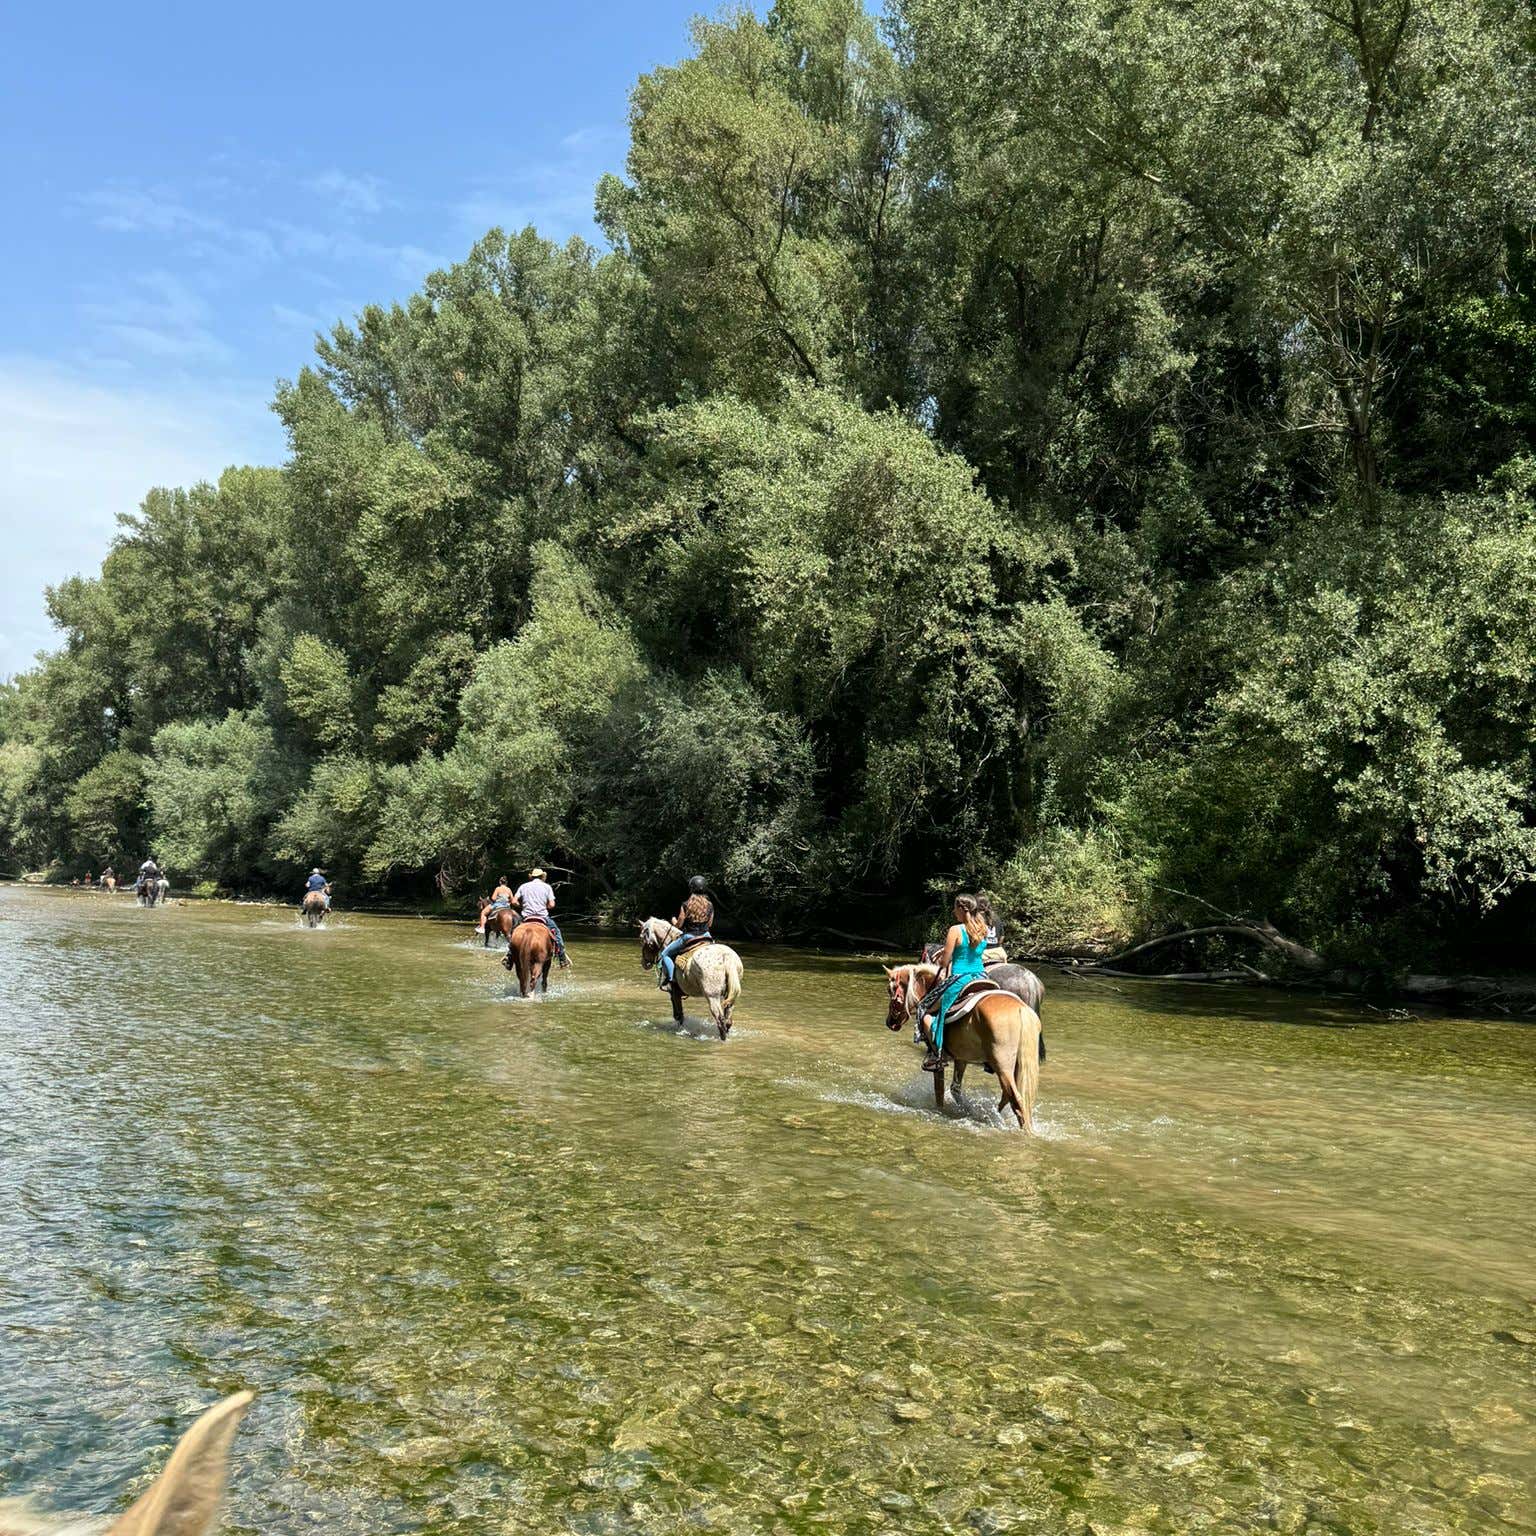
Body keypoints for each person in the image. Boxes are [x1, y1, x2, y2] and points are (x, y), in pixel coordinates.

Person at [917, 893, 990, 1072]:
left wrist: (943, 956)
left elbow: (944, 962)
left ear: (961, 908)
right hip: (982, 977)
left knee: (923, 1008)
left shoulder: (955, 930)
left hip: (960, 978)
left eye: (955, 908)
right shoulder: (983, 928)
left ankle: (937, 1054)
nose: (953, 911)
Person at [659, 875, 714, 992]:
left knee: (665, 954)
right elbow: (709, 924)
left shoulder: (686, 904)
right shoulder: (710, 905)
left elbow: (679, 925)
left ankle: (671, 980)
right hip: (706, 936)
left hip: (689, 937)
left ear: (691, 889)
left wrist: (673, 921)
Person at [513, 866, 568, 968]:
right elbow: (552, 905)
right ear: (542, 876)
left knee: (514, 934)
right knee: (557, 934)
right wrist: (544, 906)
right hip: (542, 917)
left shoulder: (523, 886)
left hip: (527, 917)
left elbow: (513, 901)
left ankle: (509, 956)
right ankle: (562, 958)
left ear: (532, 877)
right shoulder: (547, 887)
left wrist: (521, 906)